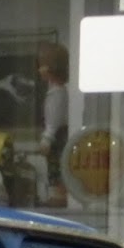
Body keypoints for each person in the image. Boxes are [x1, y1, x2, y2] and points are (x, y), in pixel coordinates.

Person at [38, 42, 71, 207]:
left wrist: (47, 138)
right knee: (54, 165)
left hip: (57, 136)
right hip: (57, 134)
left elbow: (53, 119)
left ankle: (59, 194)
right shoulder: (56, 92)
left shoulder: (57, 94)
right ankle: (57, 193)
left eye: (43, 66)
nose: (40, 70)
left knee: (56, 165)